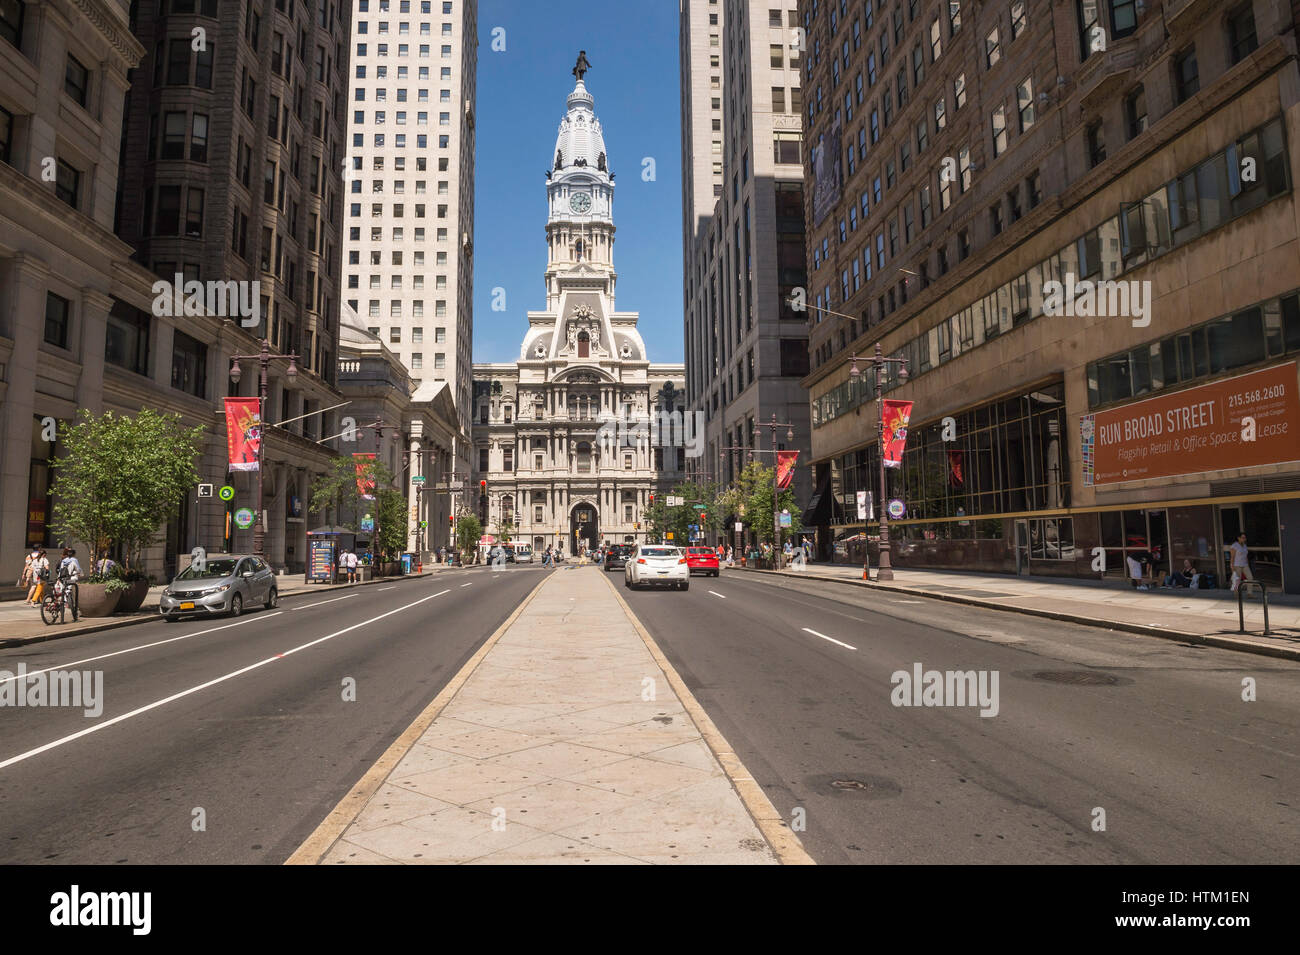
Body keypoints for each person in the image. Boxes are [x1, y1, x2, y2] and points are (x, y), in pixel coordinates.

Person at [58, 548, 82, 620]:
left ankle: (64, 603)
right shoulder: (74, 560)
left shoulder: (63, 561)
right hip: (71, 578)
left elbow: (61, 570)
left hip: (63, 578)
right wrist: (81, 573)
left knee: (63, 591)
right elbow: (78, 569)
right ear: (74, 554)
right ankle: (72, 606)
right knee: (71, 590)